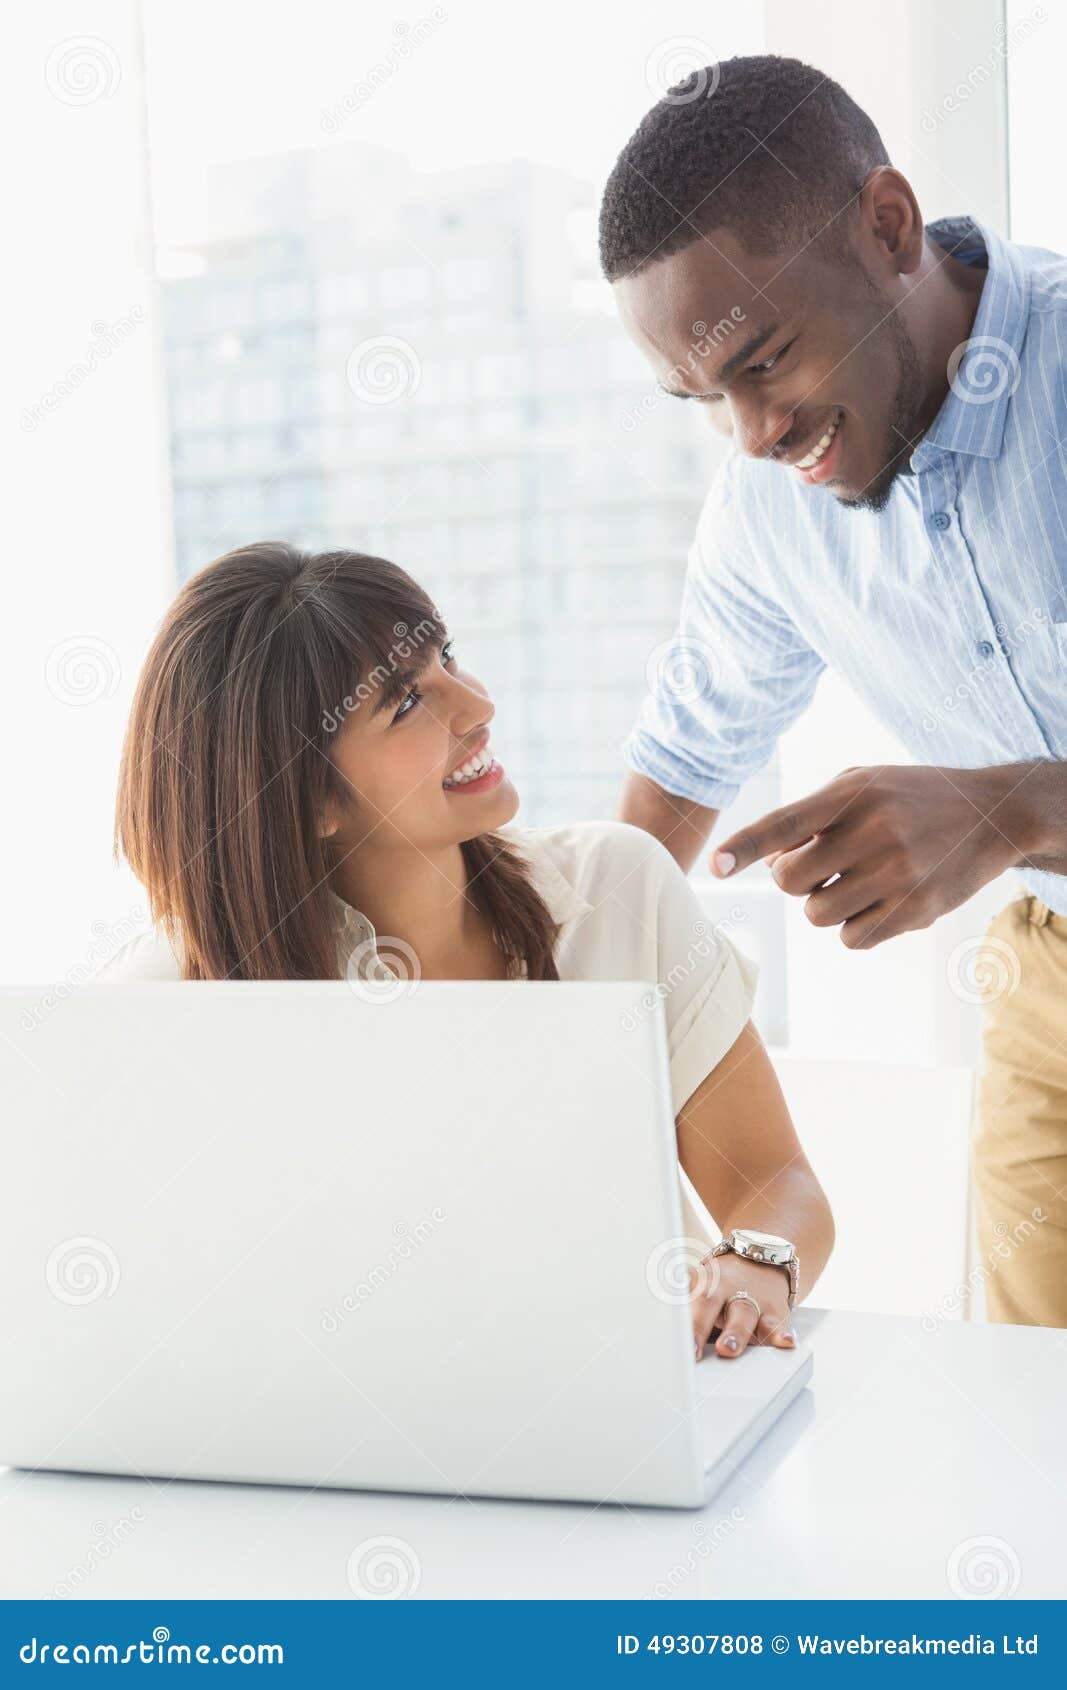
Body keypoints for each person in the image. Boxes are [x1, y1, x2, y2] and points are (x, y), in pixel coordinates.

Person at [102, 541, 833, 1360]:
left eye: (445, 657)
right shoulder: (175, 995)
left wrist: (753, 1266)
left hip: (652, 1385)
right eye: (407, 703)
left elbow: (774, 1180)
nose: (476, 706)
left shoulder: (616, 886)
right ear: (305, 802)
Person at [601, 53, 1067, 1327]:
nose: (751, 436)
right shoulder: (766, 510)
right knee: (1036, 1425)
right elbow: (682, 763)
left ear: (886, 227)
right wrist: (568, 1012)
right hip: (1050, 980)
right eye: (704, 400)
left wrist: (1012, 811)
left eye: (764, 362)